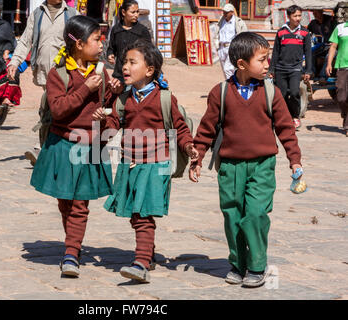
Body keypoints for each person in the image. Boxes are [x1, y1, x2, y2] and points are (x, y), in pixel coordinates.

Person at [189, 32, 303, 288]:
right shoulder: (220, 92)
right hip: (230, 167)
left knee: (255, 214)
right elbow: (207, 129)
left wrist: (294, 159)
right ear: (242, 64)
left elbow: (286, 128)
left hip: (262, 165)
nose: (267, 65)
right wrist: (197, 157)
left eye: (268, 59)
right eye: (262, 60)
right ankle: (238, 263)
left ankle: (257, 265)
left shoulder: (271, 92)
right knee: (233, 216)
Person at [93, 39, 198, 283]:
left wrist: (189, 146)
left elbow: (180, 127)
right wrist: (100, 120)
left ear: (149, 70)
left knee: (142, 214)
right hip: (130, 164)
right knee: (134, 214)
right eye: (124, 63)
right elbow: (113, 125)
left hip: (155, 164)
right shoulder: (124, 100)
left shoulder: (164, 98)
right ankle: (147, 254)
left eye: (132, 62)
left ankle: (139, 263)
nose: (125, 67)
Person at [29, 15, 123, 277]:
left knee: (80, 205)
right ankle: (73, 243)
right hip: (62, 146)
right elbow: (58, 110)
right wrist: (84, 90)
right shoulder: (58, 74)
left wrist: (108, 113)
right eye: (96, 39)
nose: (102, 44)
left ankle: (71, 253)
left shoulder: (103, 74)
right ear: (79, 44)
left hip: (91, 147)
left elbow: (114, 116)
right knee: (65, 204)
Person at [7, 0, 77, 165]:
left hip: (66, 73)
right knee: (50, 109)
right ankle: (49, 148)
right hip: (45, 73)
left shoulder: (72, 14)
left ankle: (45, 148)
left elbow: (82, 40)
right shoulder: (37, 14)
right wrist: (14, 62)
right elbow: (25, 41)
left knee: (50, 108)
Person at [269, 5, 312, 129]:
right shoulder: (281, 32)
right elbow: (275, 52)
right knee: (281, 95)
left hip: (296, 69)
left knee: (294, 93)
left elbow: (308, 53)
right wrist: (272, 69)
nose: (298, 18)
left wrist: (308, 70)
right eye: (295, 16)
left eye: (300, 15)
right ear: (288, 16)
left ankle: (295, 116)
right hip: (280, 68)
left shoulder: (305, 32)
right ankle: (281, 118)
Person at [107, 0, 151, 84]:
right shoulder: (116, 29)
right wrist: (110, 54)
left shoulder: (142, 30)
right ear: (123, 12)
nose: (136, 15)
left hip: (136, 75)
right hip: (120, 74)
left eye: (137, 12)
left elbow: (149, 52)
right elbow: (111, 48)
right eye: (133, 12)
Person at [326, 15, 348, 136]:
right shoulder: (340, 28)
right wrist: (329, 63)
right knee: (341, 96)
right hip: (342, 66)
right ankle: (345, 114)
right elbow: (333, 46)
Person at [216, 3, 248, 79]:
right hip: (221, 48)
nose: (225, 14)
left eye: (227, 12)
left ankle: (230, 87)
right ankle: (232, 83)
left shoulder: (238, 22)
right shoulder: (221, 21)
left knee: (228, 69)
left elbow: (244, 34)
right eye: (224, 12)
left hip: (231, 47)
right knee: (225, 69)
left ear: (232, 12)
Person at [308, 9, 336, 81]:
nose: (315, 15)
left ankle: (323, 76)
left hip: (334, 46)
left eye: (316, 13)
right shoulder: (313, 23)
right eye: (314, 14)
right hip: (322, 46)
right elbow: (307, 33)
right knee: (310, 52)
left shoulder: (331, 20)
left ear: (321, 12)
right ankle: (312, 72)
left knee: (328, 56)